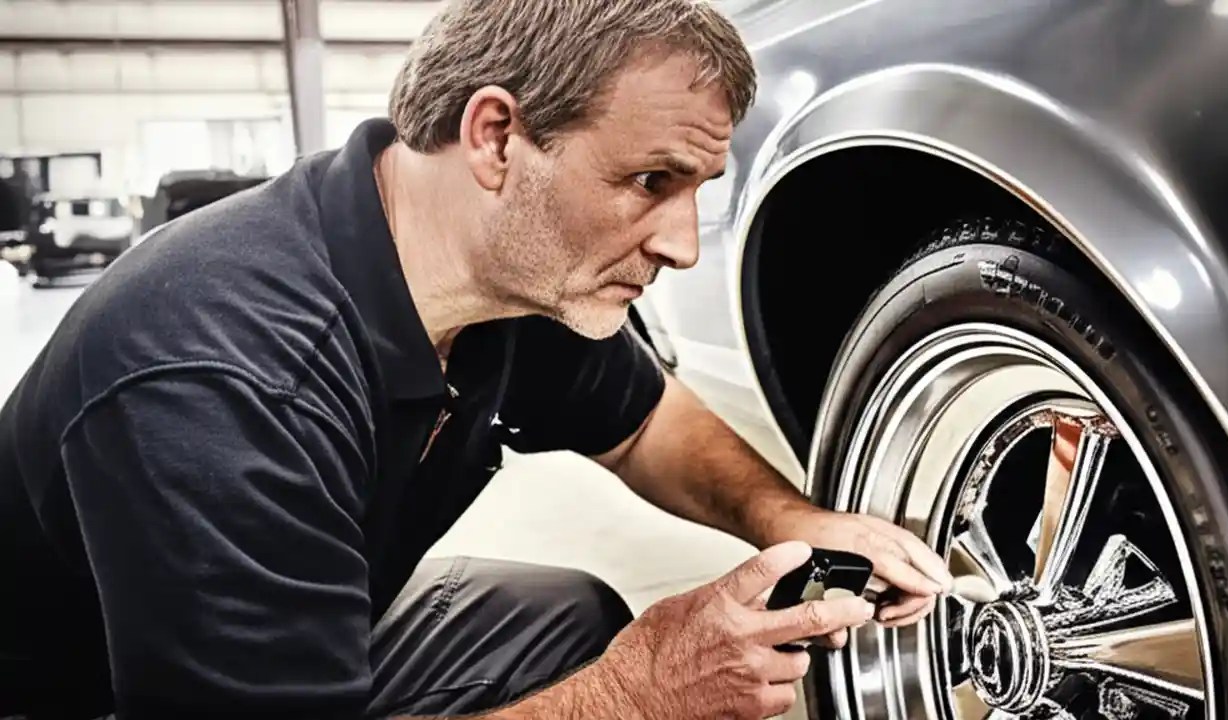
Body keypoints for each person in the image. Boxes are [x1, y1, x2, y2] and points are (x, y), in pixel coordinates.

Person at [0, 0, 953, 718]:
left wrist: (795, 519)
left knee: (561, 618)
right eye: (649, 181)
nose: (682, 246)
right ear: (496, 137)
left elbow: (645, 425)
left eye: (695, 190)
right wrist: (637, 691)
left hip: (307, 627)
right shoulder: (223, 385)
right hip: (91, 691)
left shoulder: (502, 272)